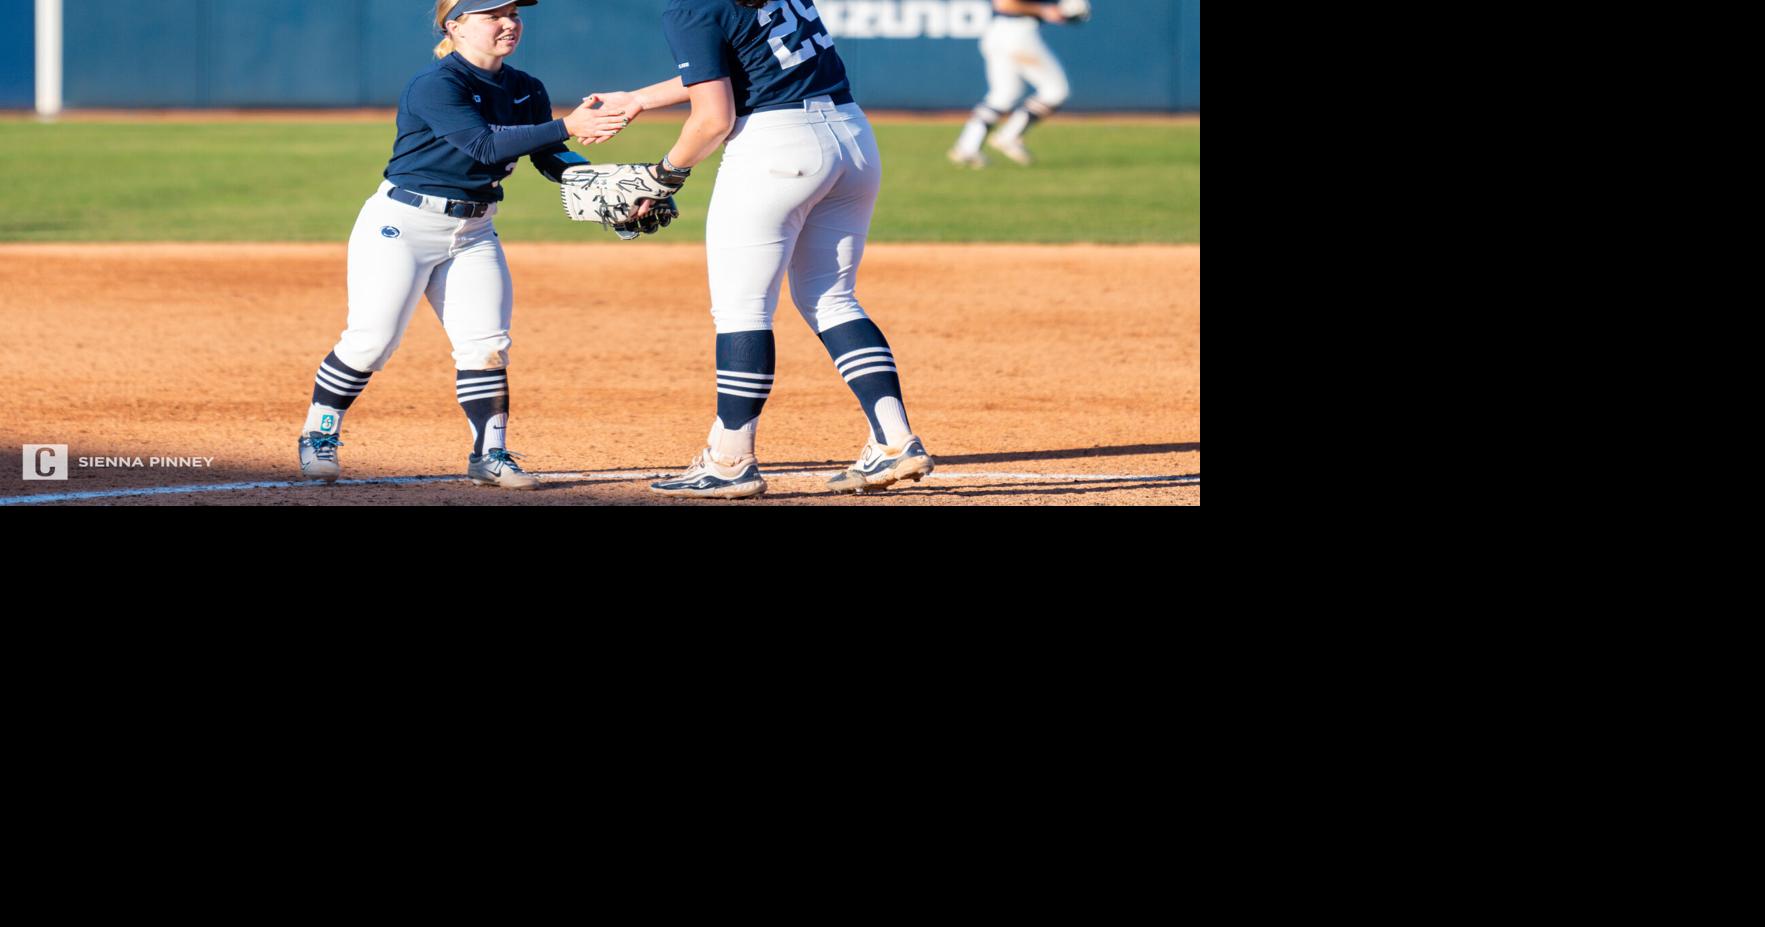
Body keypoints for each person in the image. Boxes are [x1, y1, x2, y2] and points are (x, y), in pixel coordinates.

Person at [590, 0, 935, 499]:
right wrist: (641, 98)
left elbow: (713, 118)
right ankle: (894, 439)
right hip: (852, 139)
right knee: (832, 298)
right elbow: (743, 65)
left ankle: (730, 458)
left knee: (742, 309)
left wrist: (662, 177)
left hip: (777, 147)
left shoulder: (689, 6)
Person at [296, 0, 627, 488]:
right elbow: (484, 145)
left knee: (486, 346)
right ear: (455, 27)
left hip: (474, 232)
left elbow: (548, 153)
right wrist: (568, 124)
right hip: (401, 226)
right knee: (371, 341)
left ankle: (489, 454)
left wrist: (598, 184)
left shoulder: (525, 87)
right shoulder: (436, 84)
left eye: (513, 14)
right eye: (493, 15)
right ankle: (318, 434)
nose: (509, 23)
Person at [947, 0, 1078, 168]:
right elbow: (1005, 4)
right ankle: (1009, 136)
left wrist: (1066, 10)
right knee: (1056, 91)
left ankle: (967, 147)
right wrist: (1044, 10)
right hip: (1017, 34)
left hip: (1002, 32)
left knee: (1004, 94)